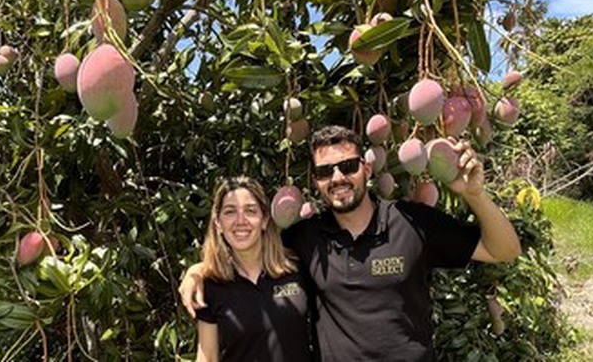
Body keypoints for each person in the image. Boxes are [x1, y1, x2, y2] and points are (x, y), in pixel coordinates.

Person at [181, 125, 522, 361]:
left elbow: (504, 250)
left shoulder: (413, 222)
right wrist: (199, 270)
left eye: (347, 166)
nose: (338, 178)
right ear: (316, 182)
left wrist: (475, 196)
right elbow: (251, 248)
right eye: (326, 172)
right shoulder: (305, 238)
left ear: (366, 169)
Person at [193, 175, 314, 362]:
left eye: (250, 211)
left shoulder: (296, 267)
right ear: (218, 223)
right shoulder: (210, 285)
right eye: (230, 212)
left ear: (264, 220)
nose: (240, 221)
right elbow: (207, 357)